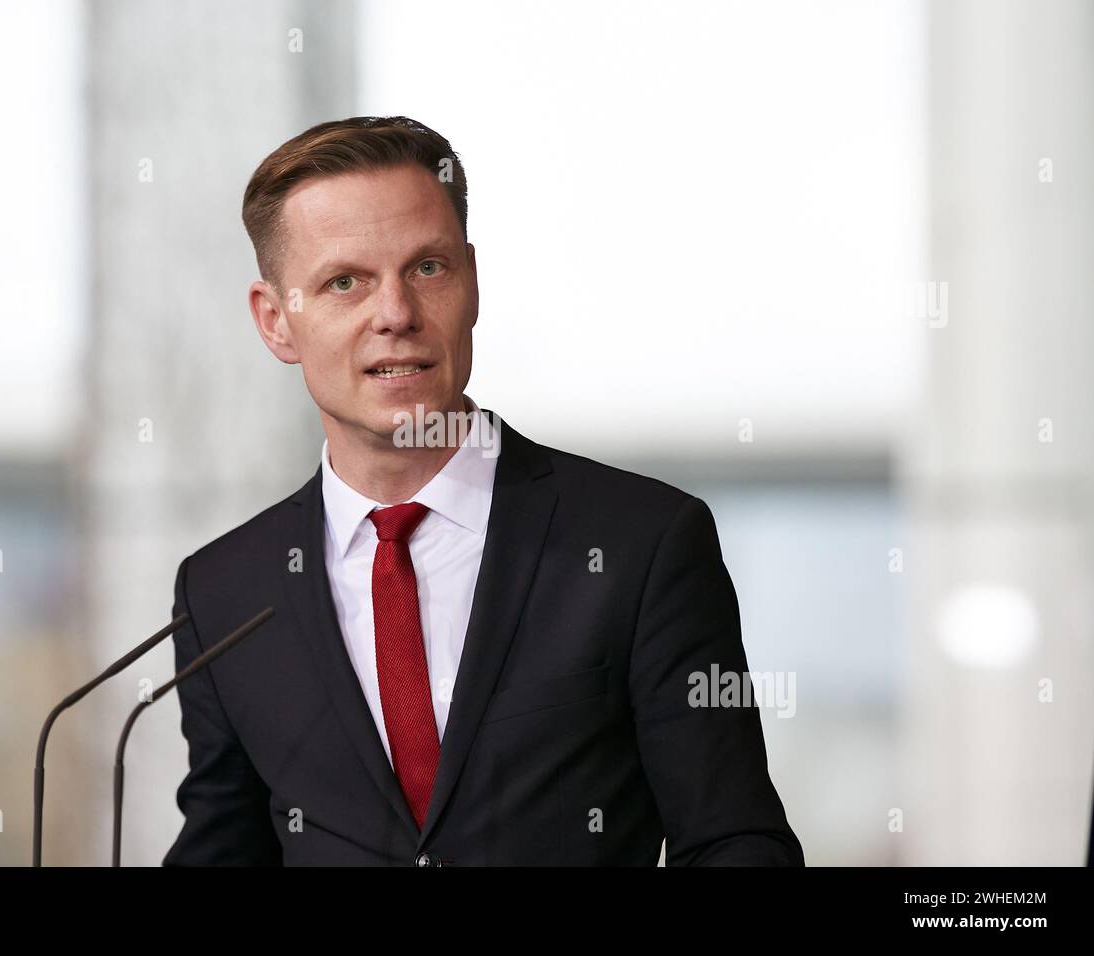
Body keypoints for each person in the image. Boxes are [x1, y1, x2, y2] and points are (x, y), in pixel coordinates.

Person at [162, 116, 803, 866]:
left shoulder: (642, 545)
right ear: (276, 321)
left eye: (427, 268)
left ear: (472, 281)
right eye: (346, 282)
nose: (396, 314)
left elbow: (736, 843)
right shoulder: (226, 594)